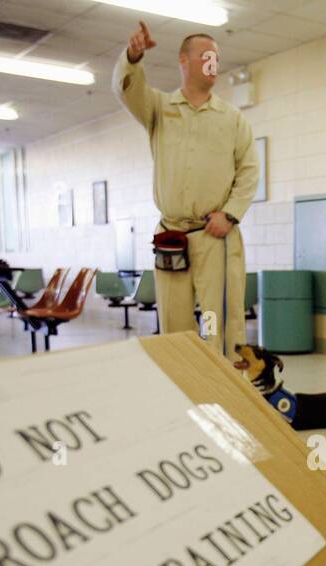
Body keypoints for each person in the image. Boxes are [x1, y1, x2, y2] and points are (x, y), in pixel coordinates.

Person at [114, 21, 258, 358]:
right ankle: (183, 382)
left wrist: (231, 214)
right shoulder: (160, 109)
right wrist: (133, 57)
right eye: (205, 57)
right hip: (171, 236)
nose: (212, 65)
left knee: (215, 318)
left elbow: (249, 171)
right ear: (184, 60)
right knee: (175, 319)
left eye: (216, 59)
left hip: (214, 235)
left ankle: (223, 382)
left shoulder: (231, 117)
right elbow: (127, 90)